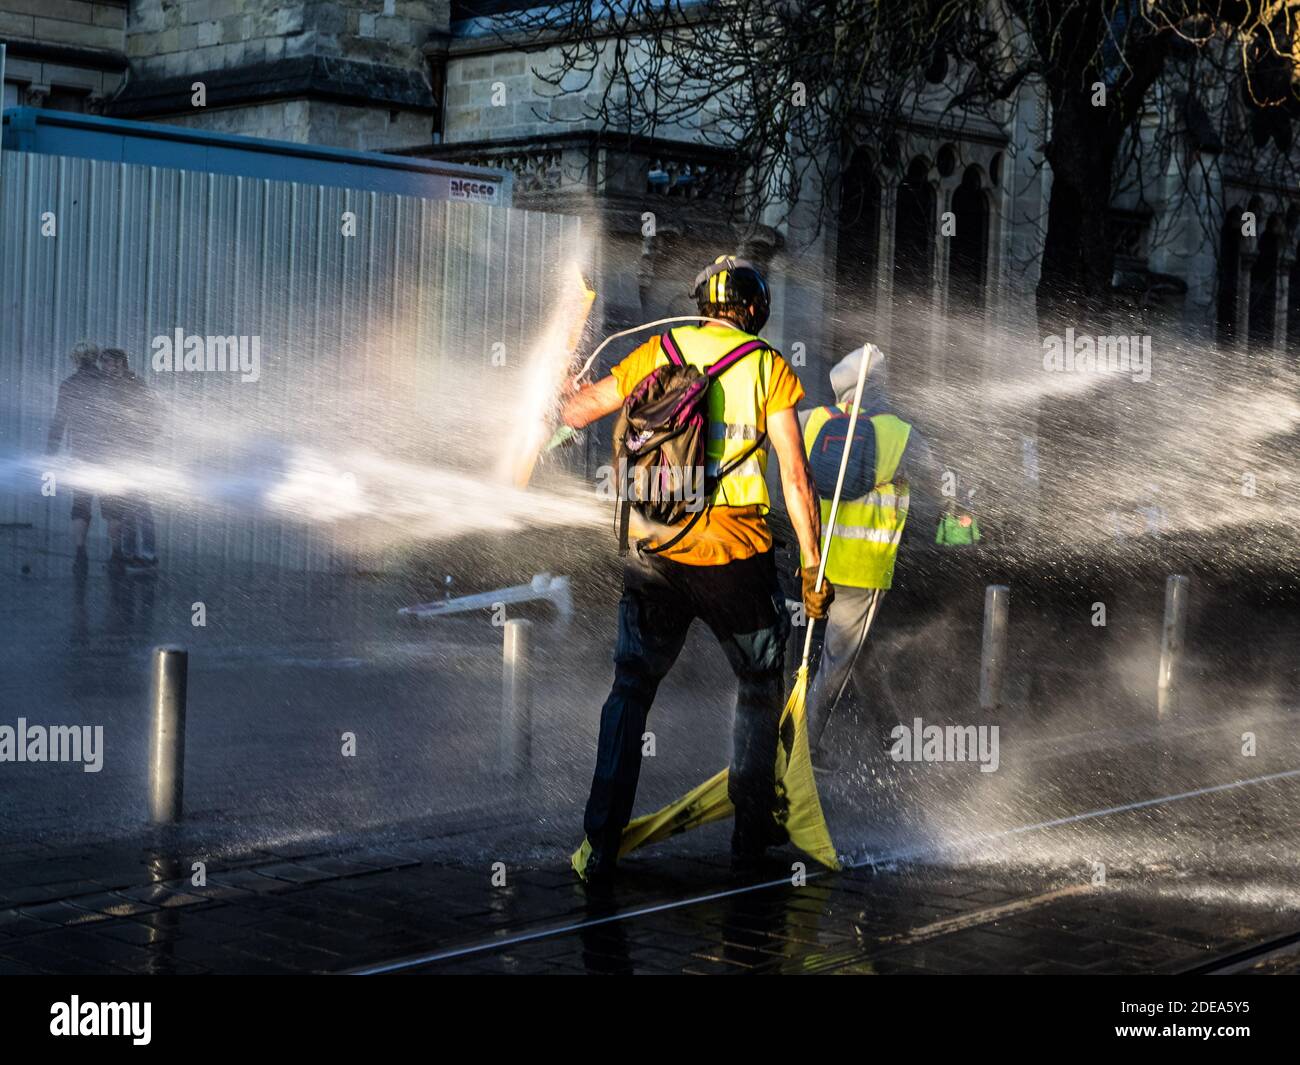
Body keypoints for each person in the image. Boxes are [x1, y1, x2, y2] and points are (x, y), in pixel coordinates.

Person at [561, 256, 833, 883]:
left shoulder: (657, 348)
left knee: (631, 690)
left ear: (703, 304)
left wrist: (564, 390)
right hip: (733, 554)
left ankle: (599, 845)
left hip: (653, 547)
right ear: (755, 311)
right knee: (761, 685)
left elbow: (580, 413)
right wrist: (814, 565)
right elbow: (795, 476)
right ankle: (749, 837)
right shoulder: (767, 366)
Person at [800, 345, 944, 764]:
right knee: (839, 657)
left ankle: (891, 733)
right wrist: (954, 509)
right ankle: (805, 745)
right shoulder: (899, 433)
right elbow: (937, 485)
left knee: (856, 650)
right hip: (863, 567)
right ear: (878, 385)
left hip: (815, 560)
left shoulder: (812, 421)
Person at [46, 341, 115, 578]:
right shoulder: (108, 383)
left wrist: (50, 452)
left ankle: (80, 554)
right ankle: (116, 556)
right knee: (113, 507)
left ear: (75, 359)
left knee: (81, 505)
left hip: (81, 454)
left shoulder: (68, 385)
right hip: (109, 454)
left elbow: (59, 421)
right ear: (96, 358)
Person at [100, 348, 159, 571]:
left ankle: (148, 554)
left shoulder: (134, 384)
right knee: (125, 505)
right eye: (104, 363)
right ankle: (131, 552)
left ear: (122, 364)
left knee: (139, 503)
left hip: (135, 454)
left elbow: (149, 416)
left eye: (112, 363)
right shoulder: (108, 386)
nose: (108, 367)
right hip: (117, 454)